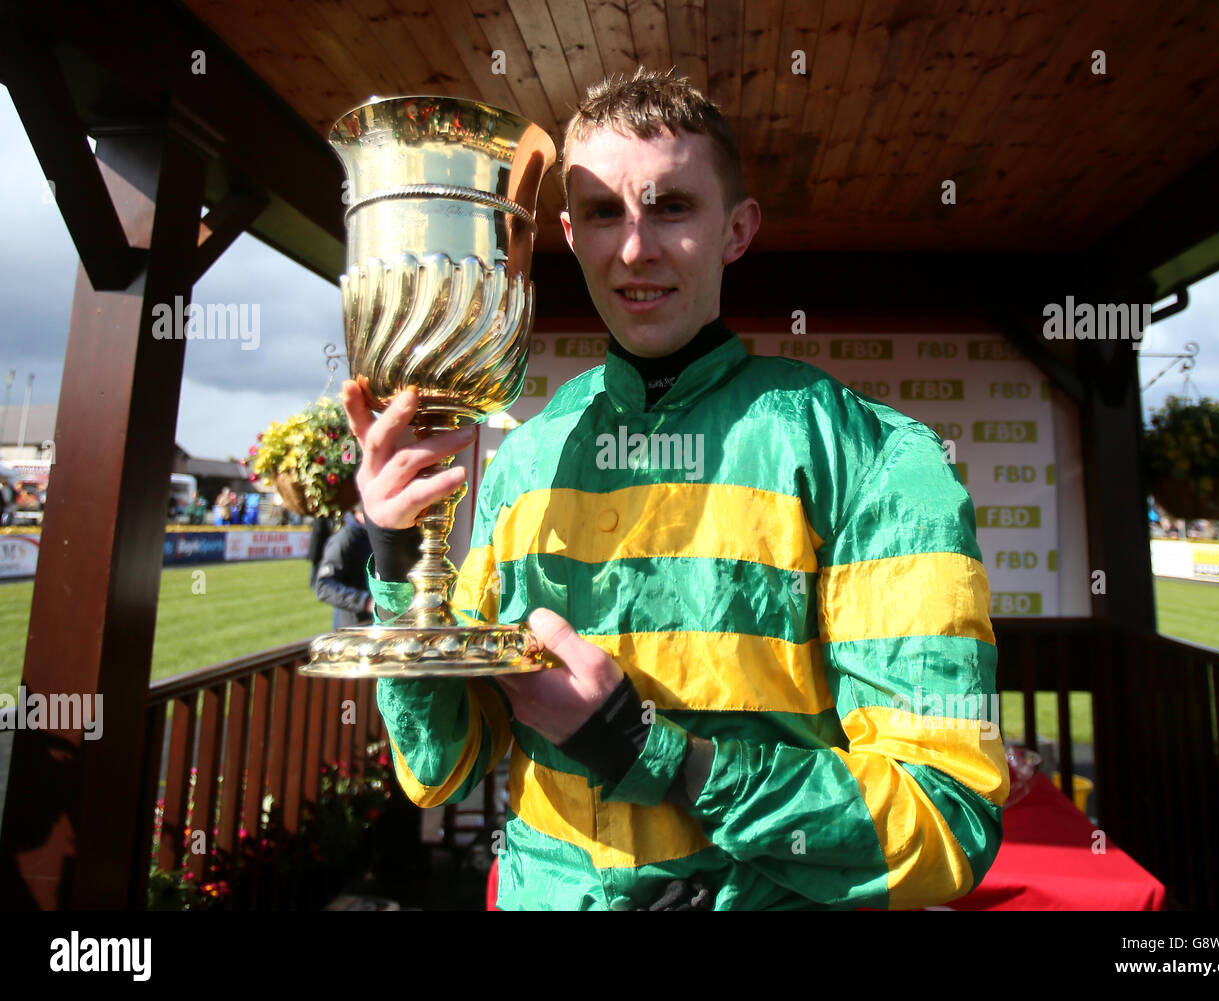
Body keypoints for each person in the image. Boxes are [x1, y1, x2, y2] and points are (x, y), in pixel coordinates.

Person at [341, 68, 1006, 910]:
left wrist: (647, 750)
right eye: (602, 213)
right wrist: (402, 561)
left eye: (673, 207)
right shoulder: (522, 462)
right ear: (570, 236)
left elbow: (946, 819)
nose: (635, 248)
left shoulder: (874, 456)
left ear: (738, 229)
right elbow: (439, 767)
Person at [314, 503, 375, 628]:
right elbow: (323, 587)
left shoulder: (373, 536)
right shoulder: (344, 539)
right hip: (354, 627)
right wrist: (366, 601)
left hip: (374, 624)